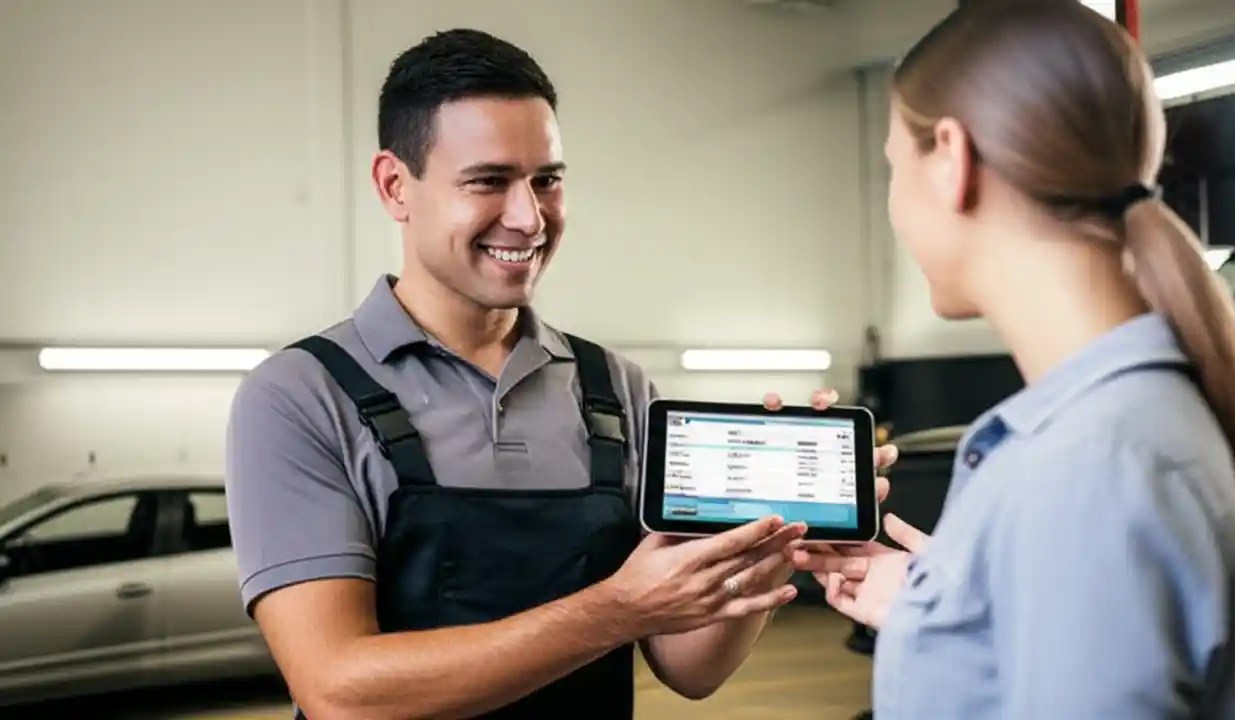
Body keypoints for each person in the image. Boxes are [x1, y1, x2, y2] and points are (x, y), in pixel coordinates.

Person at [224, 28, 896, 719]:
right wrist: (614, 610)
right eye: (488, 181)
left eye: (547, 180)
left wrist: (770, 541)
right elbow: (339, 691)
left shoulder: (617, 390)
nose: (529, 217)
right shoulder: (300, 396)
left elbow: (689, 670)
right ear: (396, 186)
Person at [793, 2, 1235, 718]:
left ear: (953, 158)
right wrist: (948, 611)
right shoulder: (1114, 438)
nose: (896, 201)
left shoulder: (1094, 465)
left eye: (896, 166)